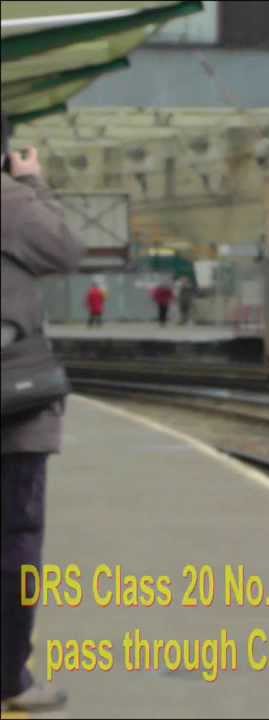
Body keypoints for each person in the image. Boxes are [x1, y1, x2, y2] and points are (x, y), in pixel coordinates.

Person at [1, 111, 82, 713]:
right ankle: (9, 677)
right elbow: (65, 249)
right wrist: (29, 183)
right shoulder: (10, 203)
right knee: (15, 542)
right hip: (12, 406)